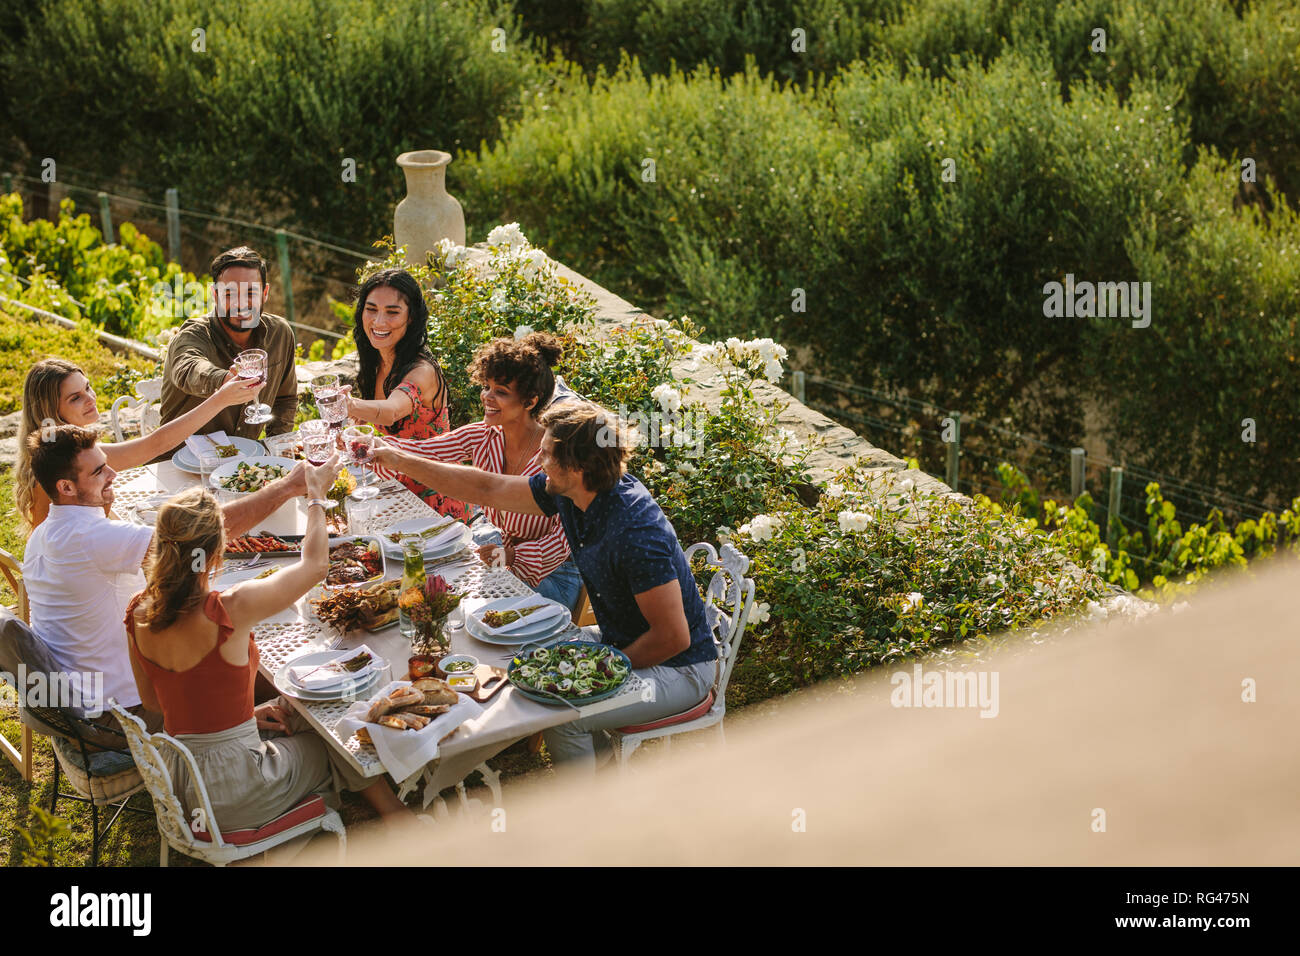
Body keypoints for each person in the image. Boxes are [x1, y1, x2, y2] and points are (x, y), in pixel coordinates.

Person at [372, 401, 718, 775]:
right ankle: (603, 772)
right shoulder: (573, 492)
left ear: (579, 466)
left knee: (561, 715)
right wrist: (398, 459)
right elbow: (487, 486)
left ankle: (586, 806)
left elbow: (673, 637)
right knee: (524, 658)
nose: (538, 461)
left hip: (680, 669)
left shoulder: (635, 531)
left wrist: (594, 667)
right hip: (621, 640)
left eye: (548, 454)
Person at [124, 456, 412, 831]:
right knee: (329, 726)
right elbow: (316, 567)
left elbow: (153, 703)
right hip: (239, 787)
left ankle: (390, 810)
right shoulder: (229, 608)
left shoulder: (138, 610)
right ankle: (395, 811)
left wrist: (238, 720)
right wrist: (316, 497)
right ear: (217, 551)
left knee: (295, 707)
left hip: (182, 782)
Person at [22, 424, 310, 731]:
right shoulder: (89, 537)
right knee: (284, 674)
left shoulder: (43, 534)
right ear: (66, 487)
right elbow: (200, 536)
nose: (113, 474)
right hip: (119, 716)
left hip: (79, 700)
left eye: (107, 464)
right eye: (99, 471)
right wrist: (287, 487)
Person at [370, 332, 581, 612]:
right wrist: (374, 447)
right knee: (429, 590)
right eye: (486, 387)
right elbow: (425, 452)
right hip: (499, 555)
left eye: (500, 392)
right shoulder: (482, 435)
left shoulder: (557, 455)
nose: (487, 397)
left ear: (530, 401)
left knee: (459, 604)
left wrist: (510, 556)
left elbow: (563, 541)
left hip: (553, 577)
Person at [13, 358, 259, 530]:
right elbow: (155, 444)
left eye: (87, 388)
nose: (90, 399)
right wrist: (220, 399)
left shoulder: (51, 451)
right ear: (52, 410)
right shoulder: (66, 460)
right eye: (76, 398)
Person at [341, 267, 466, 520]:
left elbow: (391, 412)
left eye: (392, 312)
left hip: (434, 501)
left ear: (411, 318)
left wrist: (347, 404)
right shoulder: (377, 362)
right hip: (392, 492)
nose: (378, 322)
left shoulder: (422, 371)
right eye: (371, 309)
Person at [158, 246, 299, 452]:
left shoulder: (280, 334)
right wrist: (224, 381)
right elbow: (188, 369)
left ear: (265, 293)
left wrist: (276, 450)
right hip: (178, 463)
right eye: (230, 293)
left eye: (251, 293)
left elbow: (285, 400)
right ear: (215, 295)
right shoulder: (192, 335)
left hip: (243, 463)